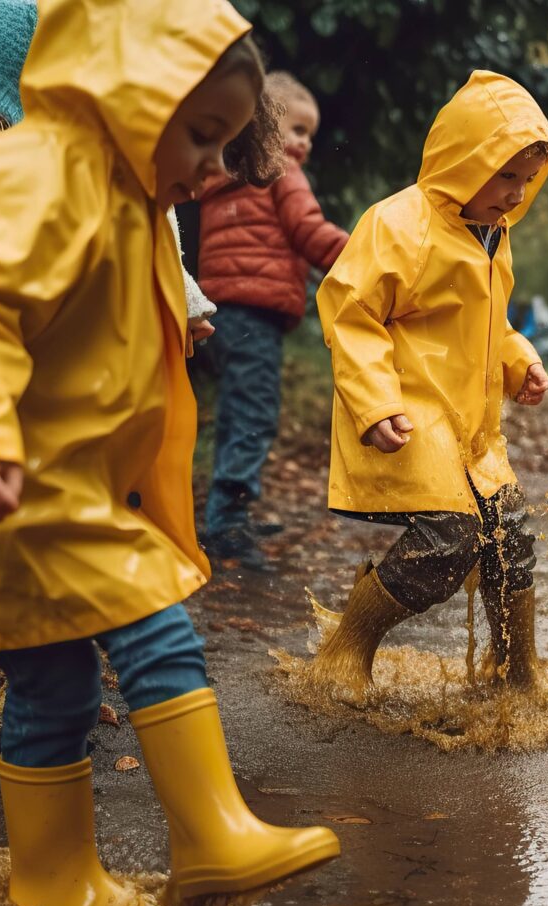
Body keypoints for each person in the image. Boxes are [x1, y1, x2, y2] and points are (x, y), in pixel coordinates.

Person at [0, 0, 338, 906]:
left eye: (224, 143)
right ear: (131, 97)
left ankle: (51, 882)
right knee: (152, 619)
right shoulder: (36, 174)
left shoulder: (122, 195)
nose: (213, 166)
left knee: (56, 688)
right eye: (200, 137)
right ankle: (212, 834)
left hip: (38, 484)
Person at [0, 0, 216, 751]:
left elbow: (152, 232)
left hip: (80, 407)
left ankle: (69, 666)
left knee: (93, 551)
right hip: (1, 412)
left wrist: (182, 308)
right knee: (24, 554)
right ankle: (34, 672)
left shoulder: (86, 170)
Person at [308, 71, 548, 703]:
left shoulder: (494, 235)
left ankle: (517, 673)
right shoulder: (399, 224)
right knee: (450, 536)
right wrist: (374, 403)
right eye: (506, 175)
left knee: (511, 535)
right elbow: (351, 313)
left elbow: (490, 323)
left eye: (527, 179)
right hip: (408, 408)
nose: (516, 193)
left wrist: (518, 360)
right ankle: (348, 646)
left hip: (472, 429)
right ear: (465, 160)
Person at [195, 70, 349, 570]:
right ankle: (227, 524)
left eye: (310, 135)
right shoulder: (281, 170)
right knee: (253, 415)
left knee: (235, 411)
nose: (304, 143)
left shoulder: (220, 175)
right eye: (297, 129)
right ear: (263, 125)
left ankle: (226, 512)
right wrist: (364, 257)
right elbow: (309, 231)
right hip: (256, 314)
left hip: (219, 311)